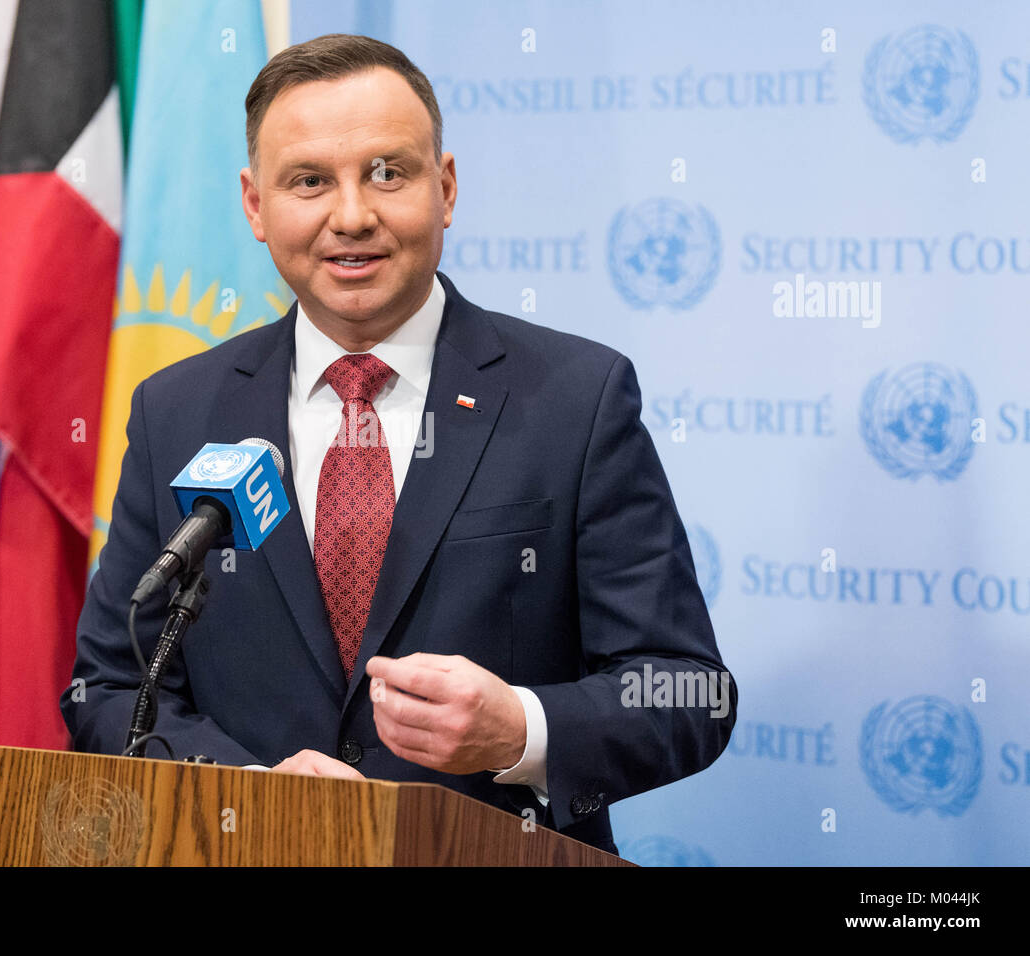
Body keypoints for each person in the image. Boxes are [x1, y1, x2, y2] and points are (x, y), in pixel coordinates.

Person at [60, 33, 736, 856]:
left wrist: (519, 729)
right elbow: (111, 685)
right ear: (254, 205)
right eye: (310, 181)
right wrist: (248, 791)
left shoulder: (575, 398)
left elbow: (690, 694)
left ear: (444, 188)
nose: (352, 215)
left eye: (389, 172)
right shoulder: (179, 409)